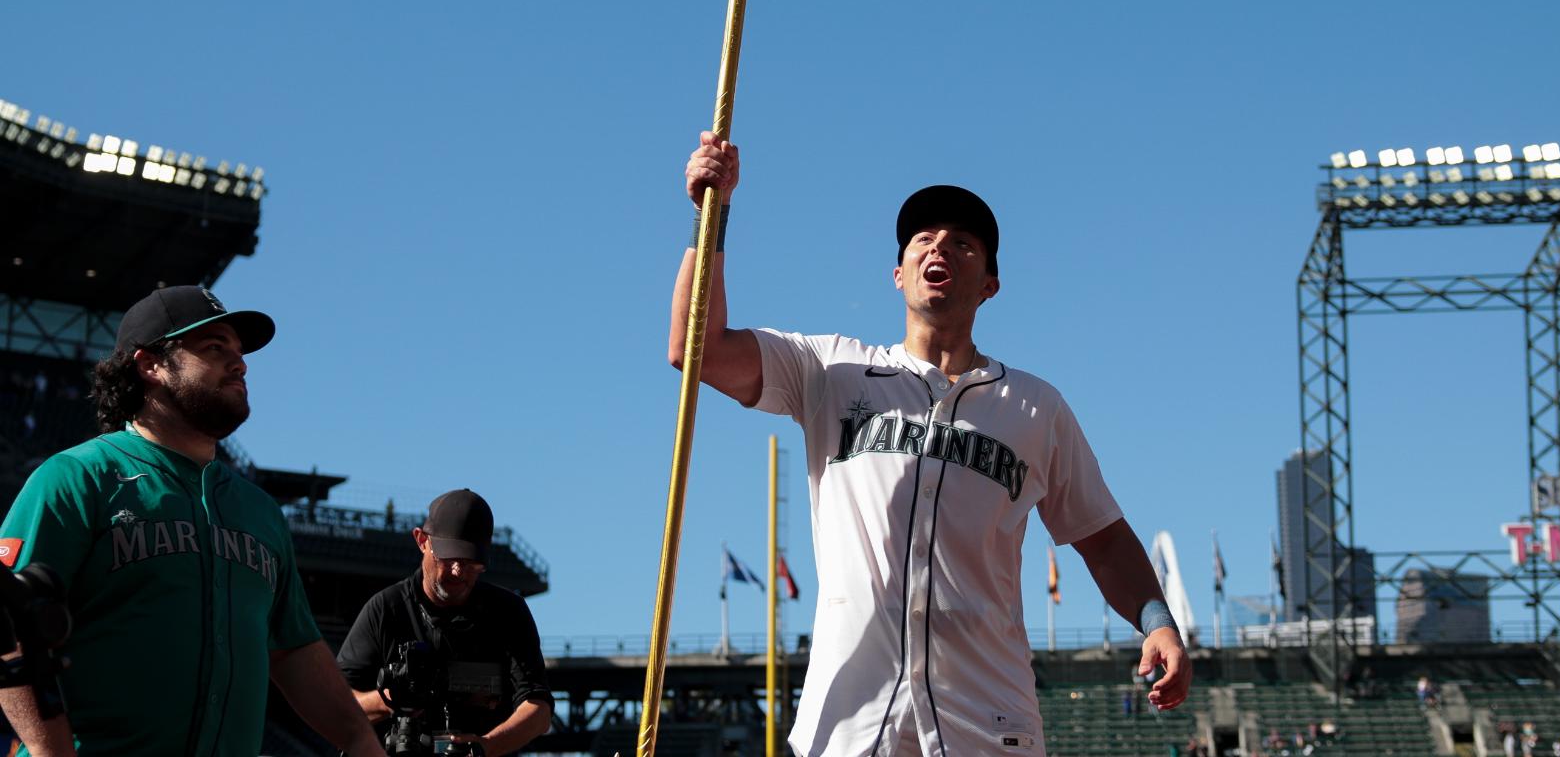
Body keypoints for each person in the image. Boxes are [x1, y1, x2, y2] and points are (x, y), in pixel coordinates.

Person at [672, 132, 1192, 756]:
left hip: (989, 718)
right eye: (923, 239)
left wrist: (1156, 621)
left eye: (963, 243)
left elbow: (1102, 536)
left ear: (991, 283)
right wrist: (713, 216)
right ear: (897, 274)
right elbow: (695, 348)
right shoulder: (828, 370)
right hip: (851, 721)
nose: (939, 246)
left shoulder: (1035, 406)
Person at [0, 286, 384, 757]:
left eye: (240, 353)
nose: (240, 364)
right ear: (150, 365)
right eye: (214, 348)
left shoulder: (259, 509)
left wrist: (359, 739)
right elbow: (9, 631)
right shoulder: (76, 478)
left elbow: (294, 648)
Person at [336, 489, 553, 755]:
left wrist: (484, 748)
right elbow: (336, 708)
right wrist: (392, 699)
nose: (458, 571)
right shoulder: (385, 610)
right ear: (422, 541)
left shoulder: (508, 612)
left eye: (471, 562)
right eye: (449, 557)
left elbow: (539, 710)